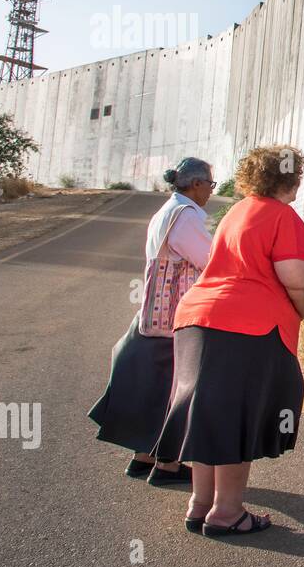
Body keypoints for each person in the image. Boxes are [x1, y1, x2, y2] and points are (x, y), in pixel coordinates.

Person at [153, 145, 304, 537]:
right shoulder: (281, 216)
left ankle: (201, 504)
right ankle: (227, 512)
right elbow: (296, 277)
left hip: (196, 318)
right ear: (289, 178)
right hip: (247, 327)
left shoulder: (235, 212)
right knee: (240, 419)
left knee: (211, 416)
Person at [89, 157, 214, 485]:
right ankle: (167, 465)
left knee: (159, 388)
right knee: (180, 390)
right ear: (197, 184)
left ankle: (143, 457)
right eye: (210, 185)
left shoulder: (168, 210)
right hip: (177, 315)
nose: (211, 192)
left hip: (156, 314)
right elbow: (210, 260)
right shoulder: (185, 218)